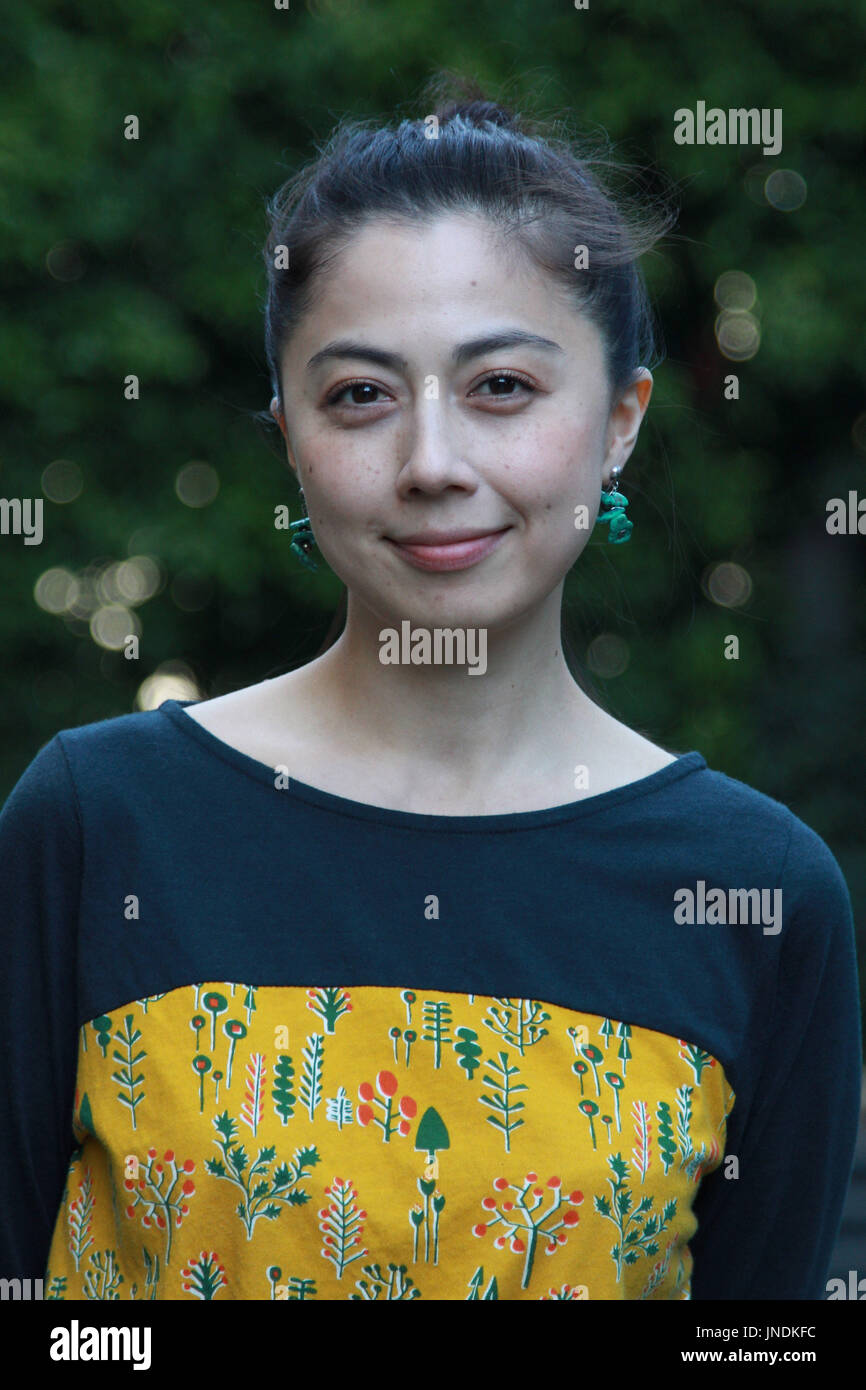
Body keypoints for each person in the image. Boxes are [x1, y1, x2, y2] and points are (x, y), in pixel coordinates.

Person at [0, 77, 860, 1303]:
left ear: (619, 419)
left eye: (500, 386)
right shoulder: (96, 823)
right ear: (291, 437)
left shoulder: (754, 891)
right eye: (359, 395)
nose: (432, 464)